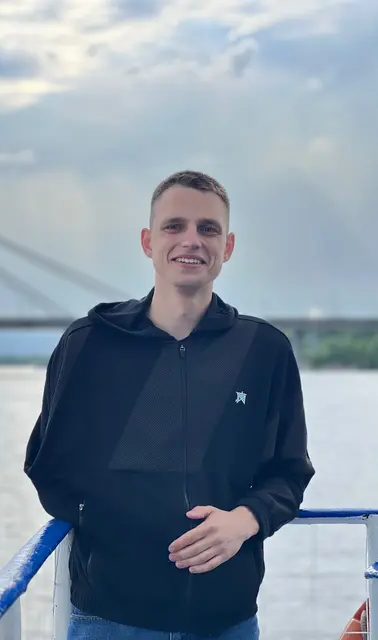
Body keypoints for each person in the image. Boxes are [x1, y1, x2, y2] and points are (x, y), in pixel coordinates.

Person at [24, 170, 315, 639]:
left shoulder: (263, 351)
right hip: (110, 619)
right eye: (174, 226)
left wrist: (244, 521)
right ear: (148, 241)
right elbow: (50, 469)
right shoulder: (91, 344)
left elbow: (289, 472)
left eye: (208, 228)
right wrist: (124, 534)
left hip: (227, 620)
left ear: (228, 246)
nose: (191, 240)